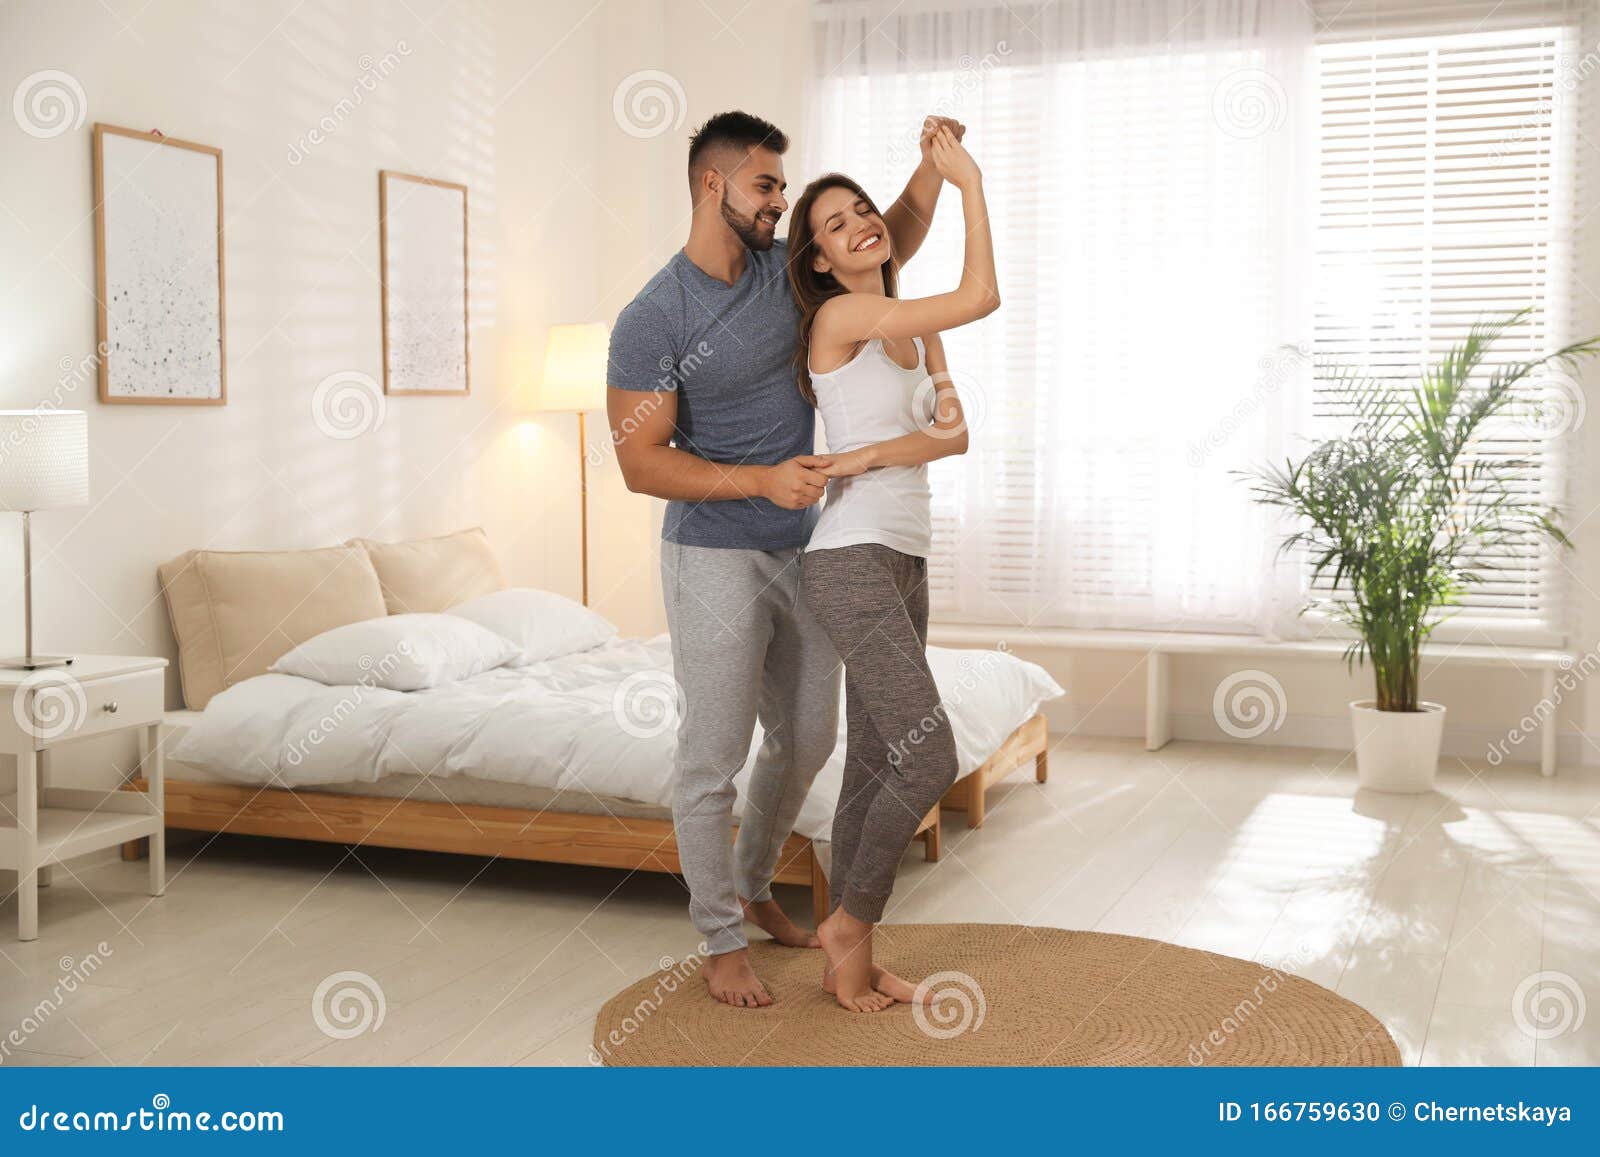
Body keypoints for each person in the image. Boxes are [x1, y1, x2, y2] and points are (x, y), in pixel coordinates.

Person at [607, 110, 965, 1008]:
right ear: (713, 184)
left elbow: (888, 238)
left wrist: (931, 166)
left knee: (809, 738)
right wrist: (760, 480)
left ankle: (754, 884)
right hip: (713, 554)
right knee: (713, 753)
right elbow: (639, 460)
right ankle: (720, 937)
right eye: (766, 185)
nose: (779, 200)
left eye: (781, 186)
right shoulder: (653, 315)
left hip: (810, 545)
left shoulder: (784, 271)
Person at [787, 127, 996, 1012]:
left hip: (904, 554)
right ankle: (851, 919)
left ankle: (851, 966)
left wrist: (870, 455)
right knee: (928, 751)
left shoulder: (914, 330)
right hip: (848, 557)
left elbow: (954, 435)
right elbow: (982, 294)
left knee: (876, 759)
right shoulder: (840, 320)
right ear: (821, 261)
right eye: (835, 225)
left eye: (864, 210)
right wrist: (968, 181)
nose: (860, 225)